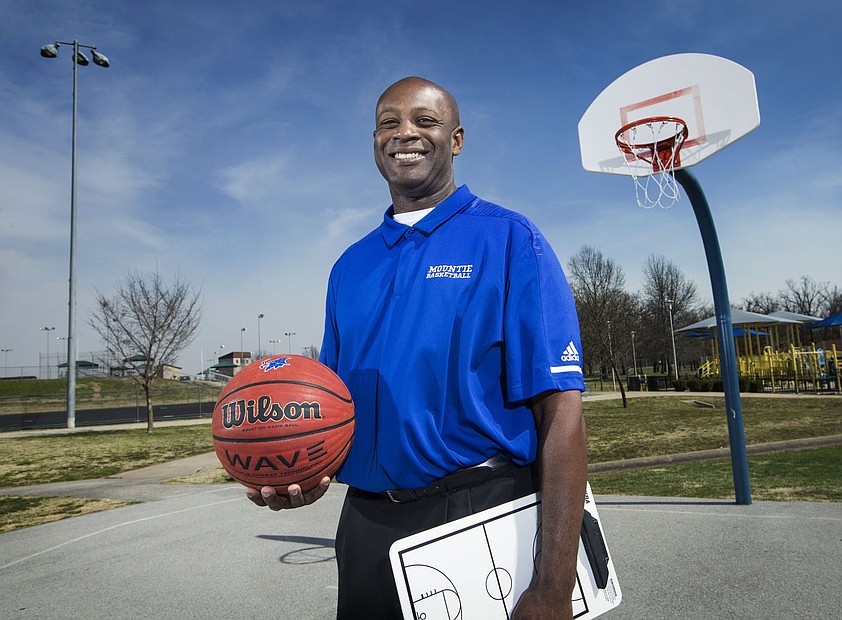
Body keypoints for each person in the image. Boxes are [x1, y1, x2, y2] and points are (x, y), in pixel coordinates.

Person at [247, 76, 587, 620]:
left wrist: (554, 587)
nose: (405, 132)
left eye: (425, 121)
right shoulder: (349, 266)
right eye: (389, 122)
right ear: (375, 141)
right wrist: (305, 473)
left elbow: (561, 410)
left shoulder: (509, 239)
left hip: (478, 511)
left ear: (455, 140)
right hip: (364, 524)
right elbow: (332, 410)